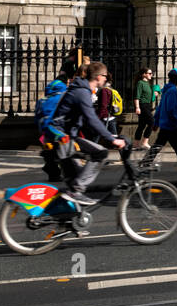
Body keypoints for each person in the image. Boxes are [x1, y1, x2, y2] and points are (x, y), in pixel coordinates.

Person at [50, 60, 126, 203]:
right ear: (98, 77)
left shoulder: (81, 90)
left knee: (75, 182)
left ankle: (68, 215)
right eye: (105, 76)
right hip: (63, 139)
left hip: (66, 138)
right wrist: (112, 139)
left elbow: (84, 118)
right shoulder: (82, 92)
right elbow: (91, 119)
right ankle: (75, 192)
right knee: (101, 153)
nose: (106, 79)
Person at [41, 57, 80, 181]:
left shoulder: (48, 95)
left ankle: (52, 171)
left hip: (45, 128)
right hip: (56, 128)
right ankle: (63, 174)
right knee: (62, 151)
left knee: (50, 150)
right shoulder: (61, 95)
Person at [151, 68, 177, 173]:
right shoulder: (173, 90)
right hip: (170, 125)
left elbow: (159, 108)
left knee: (157, 146)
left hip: (164, 124)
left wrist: (156, 122)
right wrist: (175, 120)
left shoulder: (166, 90)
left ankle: (144, 164)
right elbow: (171, 109)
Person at [132, 67, 156, 148]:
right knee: (152, 122)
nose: (151, 75)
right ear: (144, 74)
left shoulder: (148, 83)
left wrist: (154, 94)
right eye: (149, 73)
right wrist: (137, 107)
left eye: (151, 73)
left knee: (141, 125)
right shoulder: (140, 83)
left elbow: (148, 95)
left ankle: (136, 144)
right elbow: (137, 96)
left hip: (147, 105)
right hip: (142, 105)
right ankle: (145, 142)